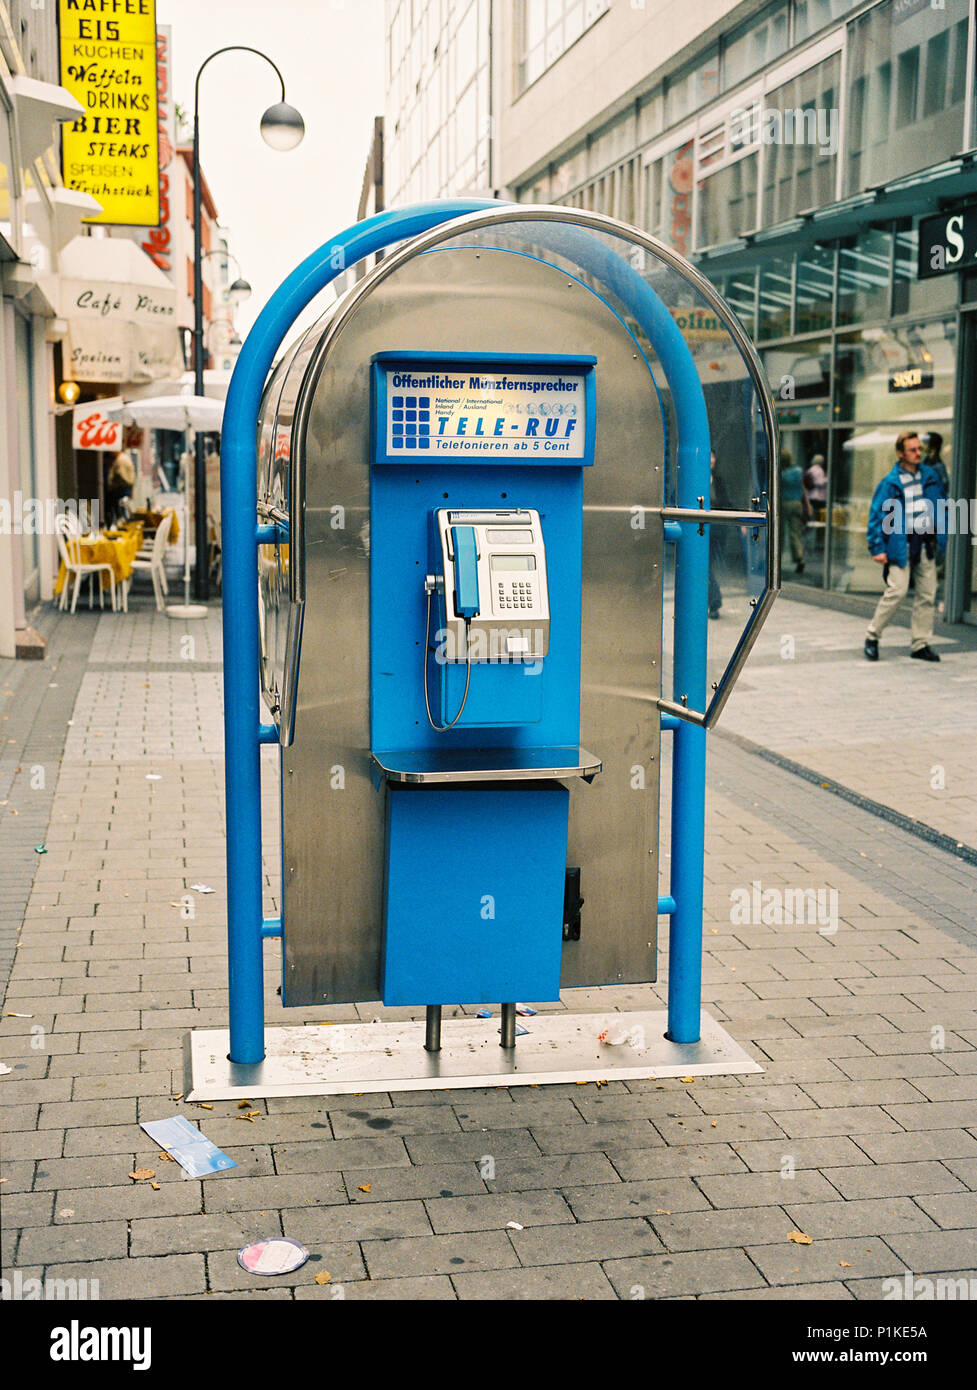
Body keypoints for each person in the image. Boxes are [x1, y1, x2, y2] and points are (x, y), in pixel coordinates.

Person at [864, 430, 947, 663]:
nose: (918, 453)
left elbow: (941, 505)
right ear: (901, 454)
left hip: (926, 543)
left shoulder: (930, 475)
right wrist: (877, 547)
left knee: (927, 594)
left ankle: (920, 644)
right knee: (897, 591)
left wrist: (942, 534)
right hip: (900, 543)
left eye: (920, 448)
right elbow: (876, 516)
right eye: (913, 450)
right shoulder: (890, 482)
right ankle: (872, 636)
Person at [708, 450, 731, 619]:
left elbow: (726, 502)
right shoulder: (692, 479)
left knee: (709, 567)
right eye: (708, 456)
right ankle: (714, 602)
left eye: (713, 456)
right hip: (701, 530)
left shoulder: (718, 480)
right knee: (706, 567)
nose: (711, 459)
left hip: (717, 530)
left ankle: (712, 601)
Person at [780, 449, 805, 574]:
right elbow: (802, 487)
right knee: (795, 533)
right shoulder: (798, 471)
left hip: (784, 503)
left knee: (780, 533)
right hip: (796, 503)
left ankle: (777, 557)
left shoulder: (781, 473)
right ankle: (799, 557)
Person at [106, 448, 135, 525]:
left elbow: (120, 475)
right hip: (125, 488)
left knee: (122, 514)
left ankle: (124, 527)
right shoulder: (125, 457)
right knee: (123, 511)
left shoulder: (120, 459)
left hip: (121, 489)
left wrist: (115, 483)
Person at [803, 453, 827, 523]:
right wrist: (827, 479)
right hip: (819, 496)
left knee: (812, 513)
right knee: (819, 514)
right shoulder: (819, 470)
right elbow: (820, 482)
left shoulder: (810, 470)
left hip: (810, 495)